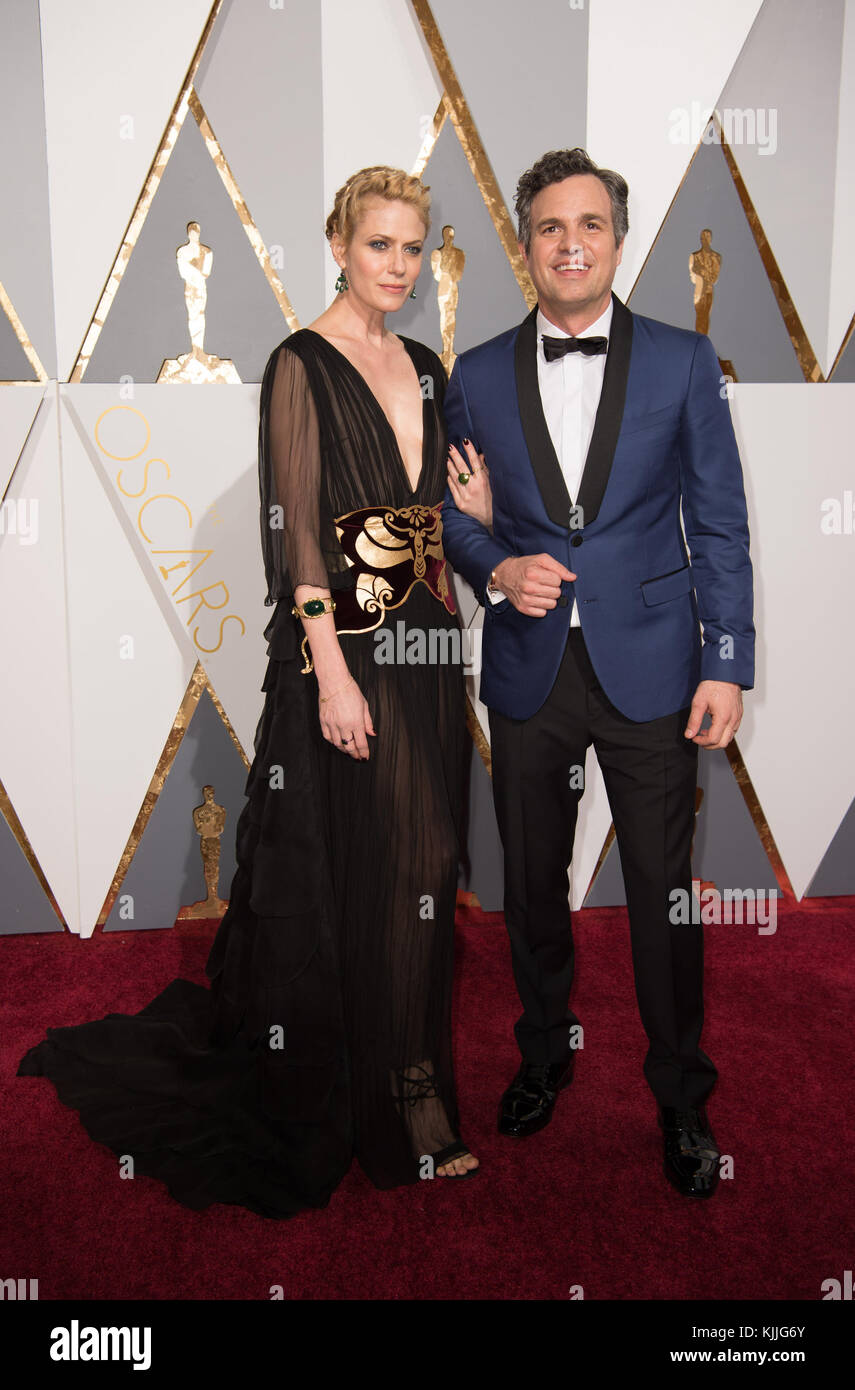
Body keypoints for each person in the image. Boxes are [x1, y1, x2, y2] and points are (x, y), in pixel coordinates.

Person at [17, 165, 478, 1219]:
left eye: (413, 248)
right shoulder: (297, 365)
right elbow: (299, 532)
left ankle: (405, 1075)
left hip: (426, 646)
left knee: (426, 861)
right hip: (344, 654)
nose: (398, 267)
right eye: (379, 247)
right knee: (362, 869)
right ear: (338, 244)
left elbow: (421, 511)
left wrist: (464, 523)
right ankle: (391, 1100)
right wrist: (329, 679)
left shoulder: (422, 360)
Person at [441, 147, 754, 1199]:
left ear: (618, 240)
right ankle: (543, 1053)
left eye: (590, 226)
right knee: (532, 883)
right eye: (548, 228)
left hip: (657, 664)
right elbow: (449, 516)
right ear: (523, 244)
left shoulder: (682, 360)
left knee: (665, 895)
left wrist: (727, 660)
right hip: (530, 668)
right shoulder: (476, 374)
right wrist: (496, 565)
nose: (569, 244)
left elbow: (719, 521)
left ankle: (682, 1097)